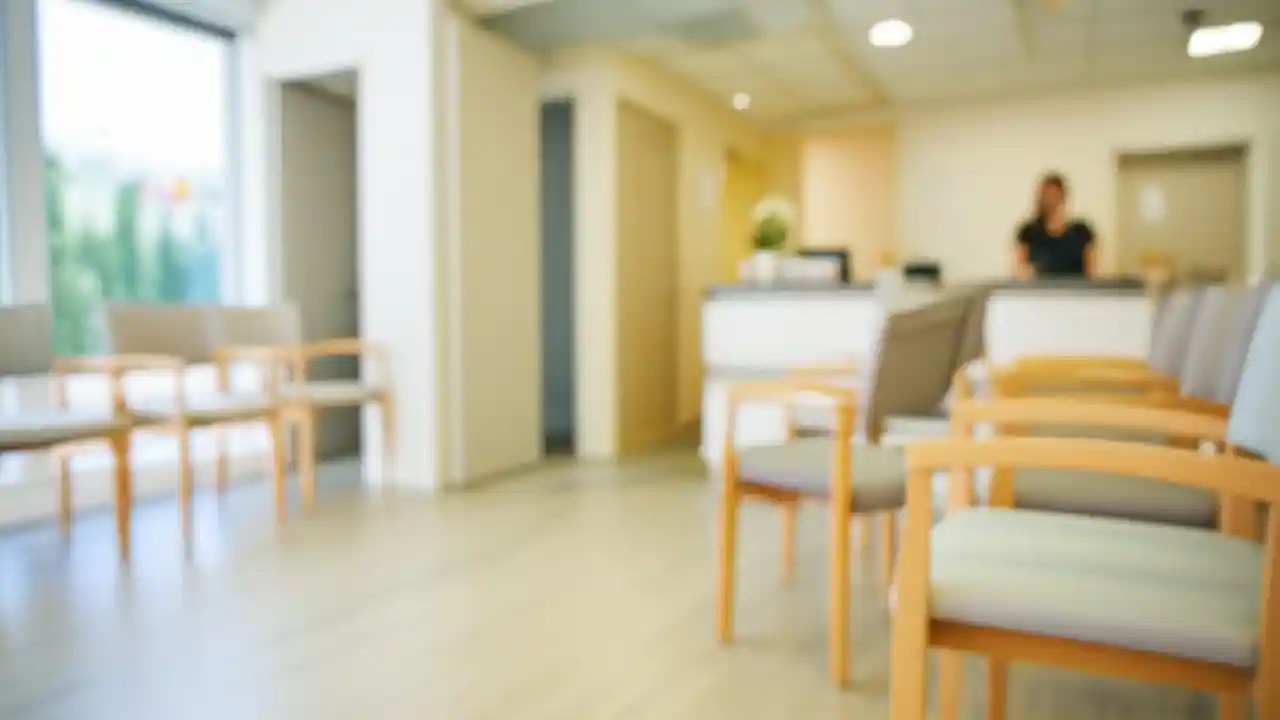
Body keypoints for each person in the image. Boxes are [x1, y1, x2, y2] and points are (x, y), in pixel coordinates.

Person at [1014, 173, 1096, 278]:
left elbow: (1093, 274)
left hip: (1076, 292)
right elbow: (1020, 273)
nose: (1050, 199)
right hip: (1039, 292)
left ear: (1063, 197)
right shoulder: (1028, 232)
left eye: (1054, 194)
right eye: (1046, 194)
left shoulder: (1082, 232)